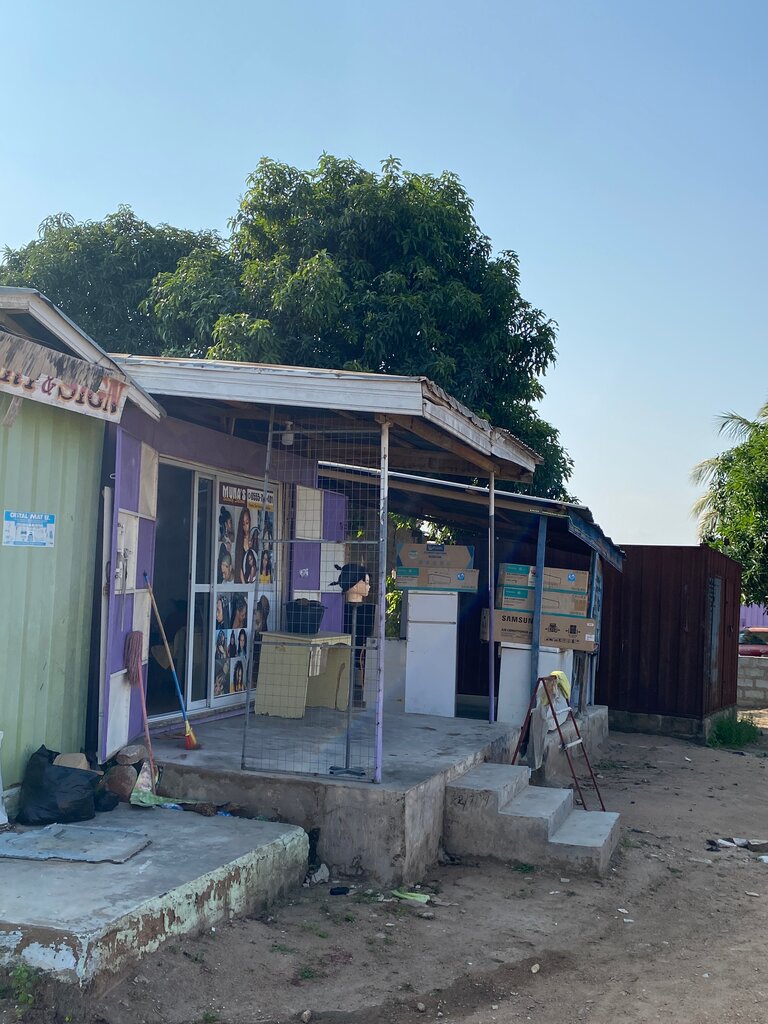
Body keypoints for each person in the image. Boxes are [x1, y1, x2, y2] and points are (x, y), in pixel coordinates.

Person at [234, 507, 251, 584]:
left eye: (247, 523)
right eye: (243, 524)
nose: (245, 527)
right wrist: (244, 584)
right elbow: (239, 564)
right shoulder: (240, 541)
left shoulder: (254, 538)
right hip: (243, 580)